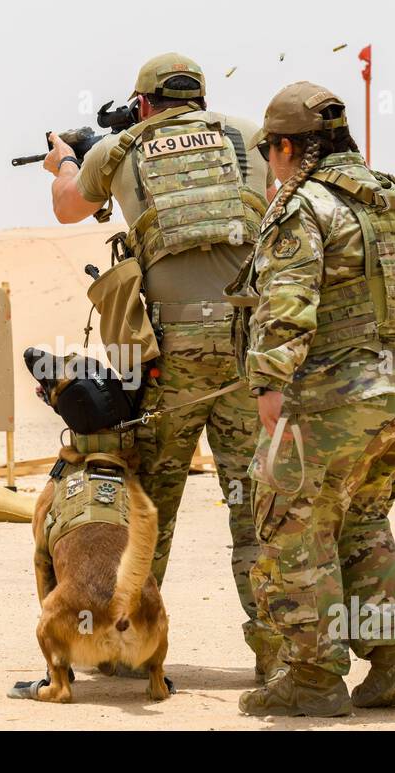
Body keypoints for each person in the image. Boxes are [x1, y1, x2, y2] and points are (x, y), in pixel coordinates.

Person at [41, 53, 281, 678]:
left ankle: (126, 640)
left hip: (164, 356)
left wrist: (66, 158)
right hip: (246, 349)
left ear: (143, 103)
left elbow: (68, 206)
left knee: (149, 508)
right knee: (253, 504)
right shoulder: (251, 139)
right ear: (198, 98)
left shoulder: (119, 149)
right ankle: (279, 655)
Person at [227, 81, 395, 717]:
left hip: (341, 394)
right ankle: (393, 662)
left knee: (293, 522)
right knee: (364, 519)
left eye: (271, 150)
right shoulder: (391, 197)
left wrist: (268, 385)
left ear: (289, 147)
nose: (270, 162)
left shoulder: (306, 205)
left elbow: (287, 303)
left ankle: (314, 677)